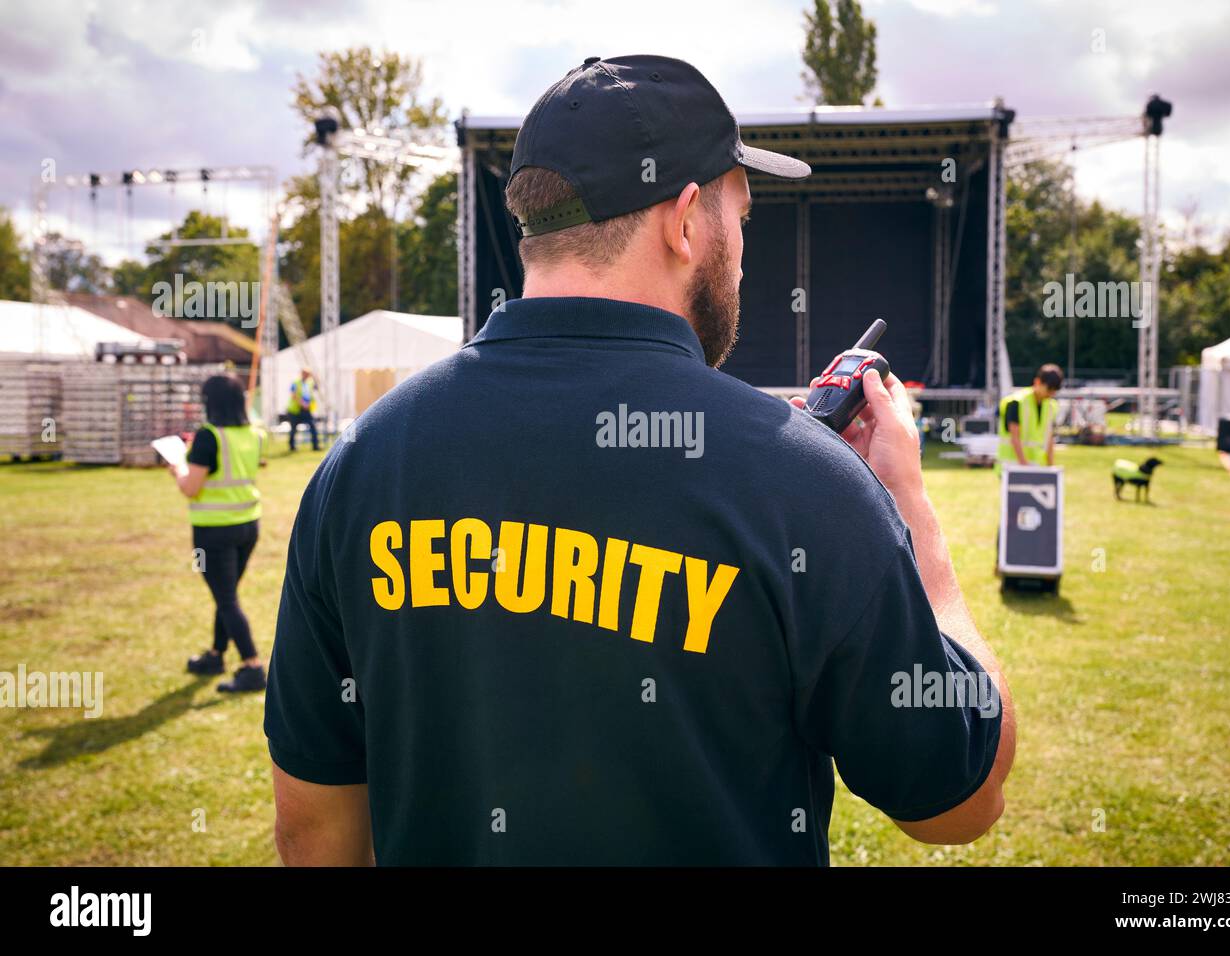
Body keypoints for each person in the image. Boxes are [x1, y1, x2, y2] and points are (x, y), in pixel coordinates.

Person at [265, 54, 1015, 866]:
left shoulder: (362, 461)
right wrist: (909, 511)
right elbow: (958, 802)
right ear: (687, 221)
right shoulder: (805, 484)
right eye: (743, 218)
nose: (743, 251)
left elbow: (314, 830)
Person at [170, 373, 267, 693]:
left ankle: (252, 666)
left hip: (215, 530)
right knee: (227, 594)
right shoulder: (253, 434)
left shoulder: (209, 436)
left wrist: (178, 468)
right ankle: (216, 654)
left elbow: (190, 487)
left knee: (226, 598)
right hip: (248, 525)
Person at [997, 363, 1062, 470]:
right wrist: (1024, 467)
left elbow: (1049, 437)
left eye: (1054, 391)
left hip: (1036, 466)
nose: (1051, 394)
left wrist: (1051, 467)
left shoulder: (1051, 406)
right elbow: (1015, 438)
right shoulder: (1016, 402)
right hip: (1011, 466)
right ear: (1037, 382)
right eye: (1049, 390)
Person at [286, 369, 320, 452]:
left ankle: (315, 446)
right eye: (306, 374)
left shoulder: (310, 382)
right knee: (293, 429)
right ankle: (292, 447)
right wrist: (302, 404)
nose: (307, 376)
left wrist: (314, 376)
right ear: (302, 374)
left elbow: (317, 386)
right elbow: (293, 395)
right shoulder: (296, 382)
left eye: (308, 374)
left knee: (313, 426)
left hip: (306, 410)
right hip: (295, 410)